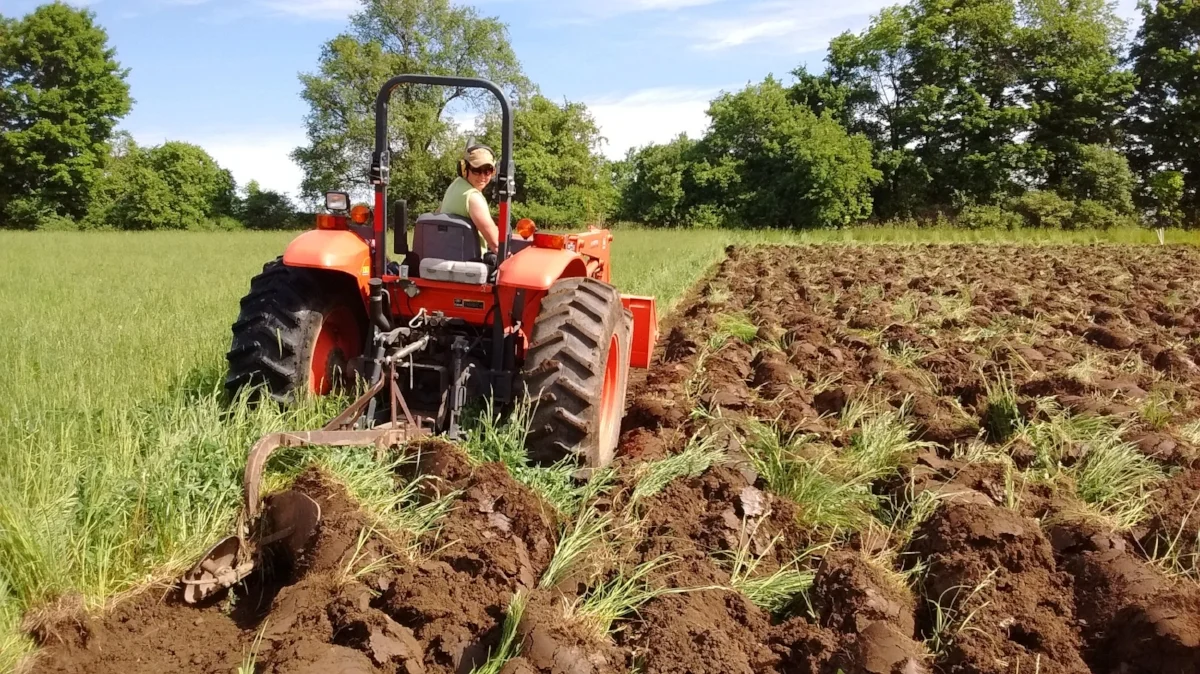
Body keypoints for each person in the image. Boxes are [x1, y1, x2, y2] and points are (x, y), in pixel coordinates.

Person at [438, 144, 500, 256]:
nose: (482, 177)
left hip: (448, 256)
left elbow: (438, 212)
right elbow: (496, 244)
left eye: (488, 171)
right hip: (471, 266)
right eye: (476, 170)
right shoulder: (474, 198)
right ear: (464, 169)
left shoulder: (455, 185)